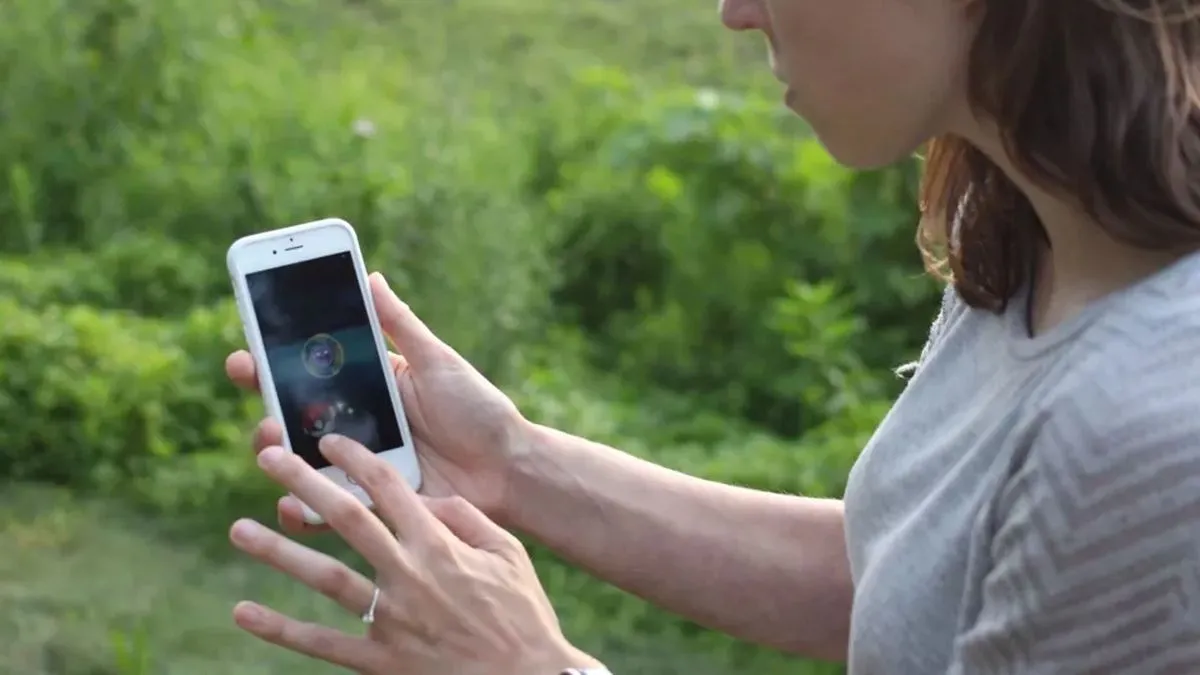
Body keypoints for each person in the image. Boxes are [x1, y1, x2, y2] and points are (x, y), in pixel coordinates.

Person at [223, 0, 1200, 672]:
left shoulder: (1143, 432)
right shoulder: (1033, 234)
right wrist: (513, 464)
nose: (734, 8)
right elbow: (911, 582)